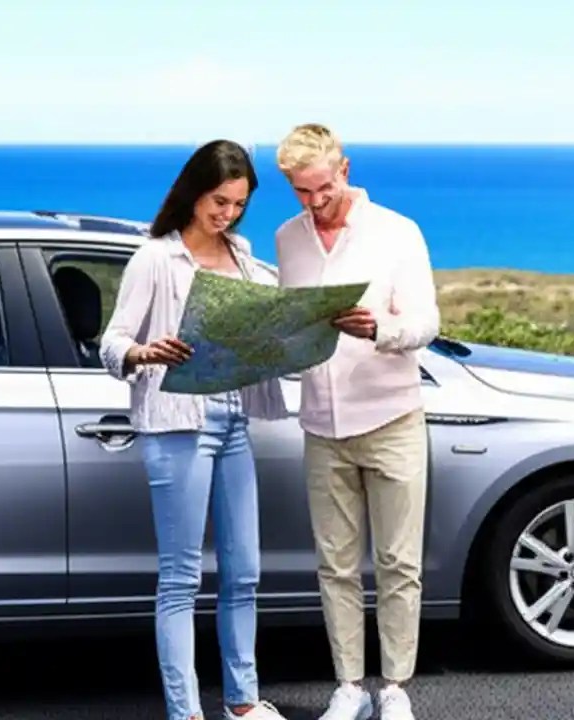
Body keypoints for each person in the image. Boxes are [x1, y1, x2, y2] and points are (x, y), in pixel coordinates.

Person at [99, 140, 290, 720]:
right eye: (218, 201)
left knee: (245, 573)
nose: (227, 214)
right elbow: (110, 344)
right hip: (177, 426)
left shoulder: (245, 256)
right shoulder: (155, 258)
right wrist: (143, 352)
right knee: (182, 578)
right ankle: (186, 713)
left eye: (237, 204)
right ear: (193, 191)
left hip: (234, 421)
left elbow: (262, 332)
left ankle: (243, 702)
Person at [273, 123, 440, 720]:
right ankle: (349, 686)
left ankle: (395, 689)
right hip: (321, 424)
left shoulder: (398, 232)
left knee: (399, 563)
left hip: (392, 418)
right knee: (335, 565)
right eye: (300, 193)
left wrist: (382, 330)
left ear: (343, 167)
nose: (314, 202)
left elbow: (426, 322)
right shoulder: (287, 239)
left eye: (322, 188)